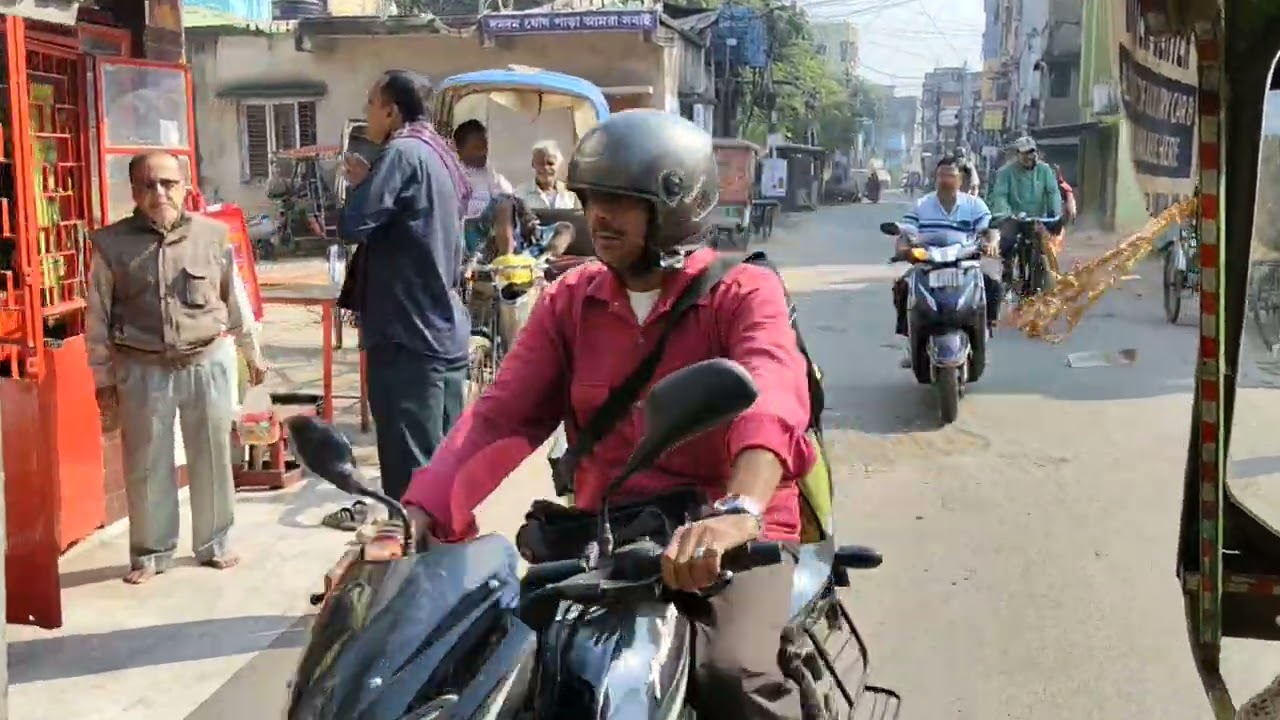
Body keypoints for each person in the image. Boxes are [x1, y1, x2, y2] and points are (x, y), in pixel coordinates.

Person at [362, 110, 813, 719]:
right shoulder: (572, 300)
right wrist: (418, 512)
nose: (599, 215)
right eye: (592, 197)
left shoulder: (743, 291)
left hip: (724, 537)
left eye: (622, 201)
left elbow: (771, 395)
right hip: (609, 534)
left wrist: (740, 510)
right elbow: (502, 416)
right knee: (508, 673)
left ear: (676, 207)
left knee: (732, 675)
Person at [87, 150, 266, 584]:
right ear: (134, 192)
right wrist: (103, 379)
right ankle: (151, 552)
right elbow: (96, 318)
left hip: (206, 361)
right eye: (148, 185)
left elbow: (233, 297)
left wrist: (252, 352)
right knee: (147, 464)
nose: (159, 193)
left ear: (185, 187)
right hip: (141, 367)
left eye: (168, 183)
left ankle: (215, 542)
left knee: (212, 455)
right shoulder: (110, 245)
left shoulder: (212, 236)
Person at [332, 70, 473, 530]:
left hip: (408, 334)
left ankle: (420, 582)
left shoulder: (402, 152)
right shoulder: (441, 153)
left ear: (391, 111)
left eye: (371, 103)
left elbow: (354, 224)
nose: (368, 113)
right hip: (443, 330)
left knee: (412, 479)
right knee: (445, 469)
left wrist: (360, 184)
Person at [892, 156, 1003, 359]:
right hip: (928, 261)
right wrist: (903, 249)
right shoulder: (921, 205)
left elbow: (990, 229)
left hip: (964, 260)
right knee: (902, 285)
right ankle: (908, 335)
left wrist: (992, 243)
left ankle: (986, 324)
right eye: (941, 176)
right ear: (935, 179)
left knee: (993, 281)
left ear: (960, 180)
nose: (945, 180)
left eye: (950, 176)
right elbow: (905, 232)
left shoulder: (974, 205)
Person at [986, 135, 1063, 285]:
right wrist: (1007, 213)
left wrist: (1054, 212)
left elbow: (1053, 192)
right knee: (1008, 242)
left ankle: (1048, 278)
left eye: (1031, 152)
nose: (1029, 156)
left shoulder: (1045, 170)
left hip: (1038, 219)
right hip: (1014, 217)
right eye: (1025, 153)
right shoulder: (1005, 172)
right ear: (1017, 154)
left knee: (1046, 247)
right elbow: (1000, 195)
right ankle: (1007, 272)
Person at [514, 140, 582, 210]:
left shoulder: (570, 194)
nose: (545, 167)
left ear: (558, 165)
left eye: (550, 163)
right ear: (533, 164)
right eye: (540, 163)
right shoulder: (520, 194)